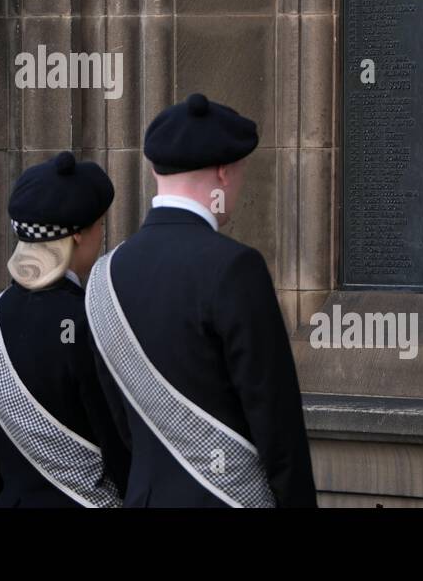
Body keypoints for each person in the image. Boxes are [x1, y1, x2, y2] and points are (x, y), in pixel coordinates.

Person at [86, 93, 317, 507]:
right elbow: (274, 417)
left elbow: (116, 423)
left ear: (157, 170)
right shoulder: (234, 266)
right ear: (224, 173)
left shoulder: (104, 274)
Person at [0, 151, 128, 507]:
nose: (101, 236)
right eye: (99, 226)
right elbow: (116, 441)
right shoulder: (89, 321)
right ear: (79, 235)